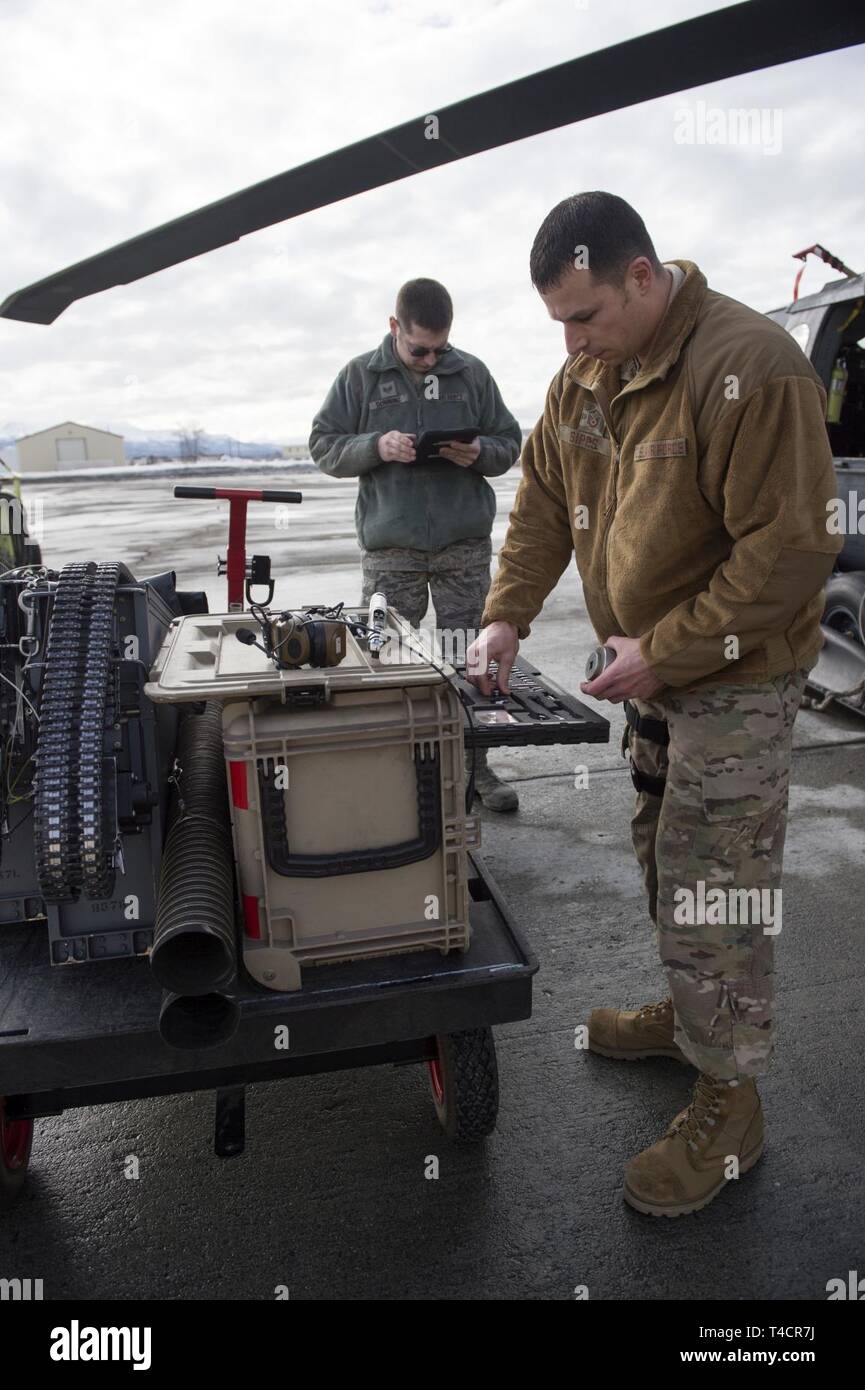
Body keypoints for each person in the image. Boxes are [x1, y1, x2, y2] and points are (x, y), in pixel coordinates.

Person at [467, 191, 842, 1215]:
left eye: (583, 315)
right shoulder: (587, 376)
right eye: (558, 323)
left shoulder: (750, 367)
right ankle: (691, 1021)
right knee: (659, 850)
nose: (571, 339)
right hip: (656, 676)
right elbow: (543, 498)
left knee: (718, 883)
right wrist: (505, 614)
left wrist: (665, 651)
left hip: (733, 674)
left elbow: (791, 549)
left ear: (643, 275)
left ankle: (732, 1096)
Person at [309, 277, 523, 811]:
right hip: (391, 552)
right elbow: (323, 445)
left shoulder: (470, 373)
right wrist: (375, 446)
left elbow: (509, 442)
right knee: (388, 666)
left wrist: (479, 454)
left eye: (439, 348)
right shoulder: (360, 376)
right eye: (418, 348)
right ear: (393, 329)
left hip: (462, 549)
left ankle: (479, 772)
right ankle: (399, 781)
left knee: (472, 663)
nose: (430, 359)